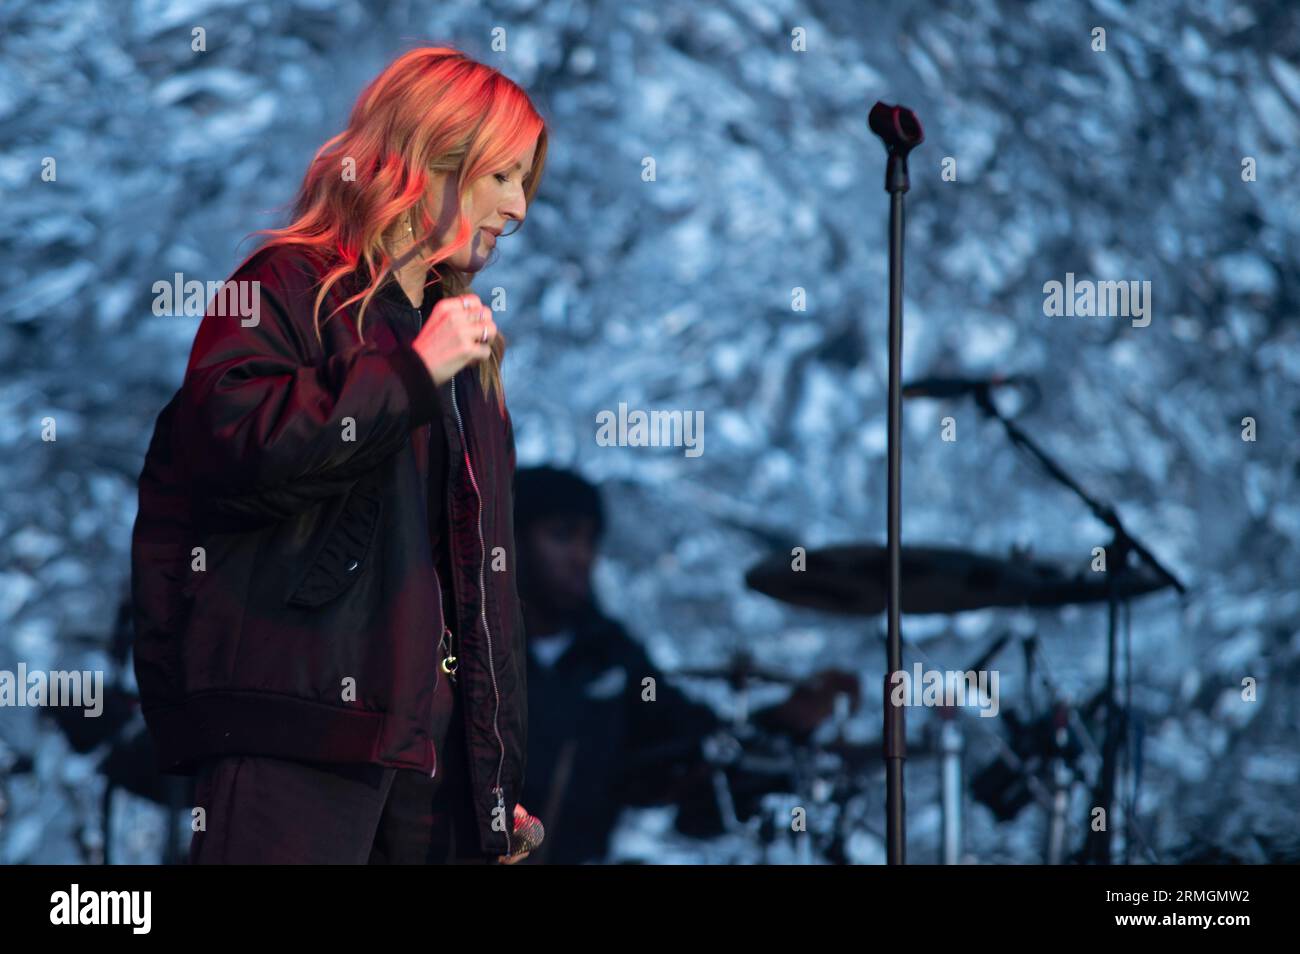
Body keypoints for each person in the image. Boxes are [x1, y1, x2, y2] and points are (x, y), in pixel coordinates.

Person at [130, 47, 546, 864]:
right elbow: (233, 451)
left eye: (526, 181)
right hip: (300, 735)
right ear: (431, 160)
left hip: (430, 773)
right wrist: (409, 374)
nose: (521, 207)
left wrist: (489, 778)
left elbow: (470, 580)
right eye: (503, 176)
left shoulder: (464, 347)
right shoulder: (286, 283)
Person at [513, 467, 860, 863]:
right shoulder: (466, 649)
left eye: (591, 540)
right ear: (511, 540)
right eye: (562, 534)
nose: (582, 556)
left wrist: (784, 720)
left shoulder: (610, 655)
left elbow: (696, 745)